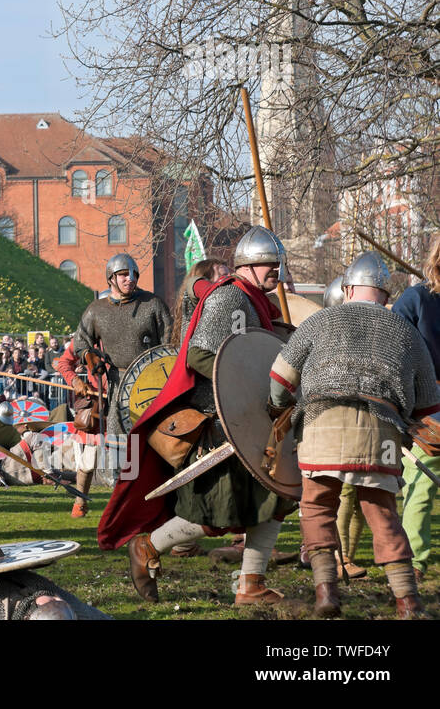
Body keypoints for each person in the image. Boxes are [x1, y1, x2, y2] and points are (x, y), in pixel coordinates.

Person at [100, 225, 293, 607]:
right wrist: (244, 381)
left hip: (249, 423)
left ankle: (251, 585)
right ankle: (147, 546)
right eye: (270, 263)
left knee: (273, 503)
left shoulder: (258, 303)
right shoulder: (229, 300)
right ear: (250, 265)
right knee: (213, 513)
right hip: (219, 424)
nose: (277, 270)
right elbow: (199, 355)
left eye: (278, 263)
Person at [269, 252, 440, 619]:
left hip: (322, 426)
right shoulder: (404, 330)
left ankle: (326, 593)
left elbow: (280, 379)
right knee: (383, 515)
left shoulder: (320, 321)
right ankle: (408, 601)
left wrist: (280, 405)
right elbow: (428, 404)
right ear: (385, 294)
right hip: (381, 435)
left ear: (347, 288)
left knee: (316, 508)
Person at [69, 253, 173, 517]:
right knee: (118, 447)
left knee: (155, 444)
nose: (130, 279)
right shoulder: (96, 310)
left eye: (133, 274)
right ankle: (126, 504)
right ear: (111, 278)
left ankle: (160, 502)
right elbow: (81, 341)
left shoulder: (153, 304)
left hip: (151, 383)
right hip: (117, 386)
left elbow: (171, 342)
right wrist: (88, 355)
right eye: (124, 275)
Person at [394, 237, 440, 583]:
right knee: (421, 486)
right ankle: (415, 559)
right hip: (429, 409)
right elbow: (392, 345)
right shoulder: (417, 299)